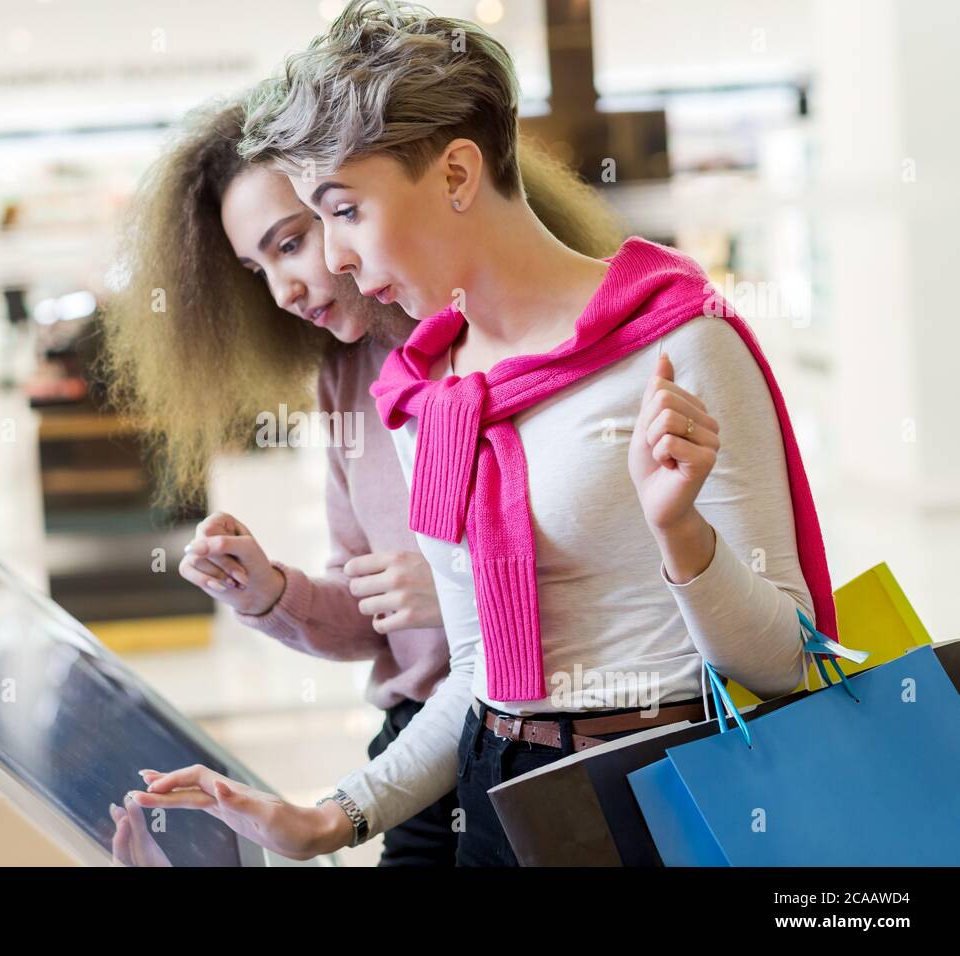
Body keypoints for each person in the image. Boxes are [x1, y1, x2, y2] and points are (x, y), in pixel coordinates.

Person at [127, 0, 838, 866]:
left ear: (458, 174)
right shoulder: (425, 395)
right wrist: (329, 819)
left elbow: (781, 663)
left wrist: (680, 534)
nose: (335, 260)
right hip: (494, 802)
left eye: (343, 211)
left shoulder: (680, 343)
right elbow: (475, 677)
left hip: (664, 801)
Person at [100, 92, 625, 865]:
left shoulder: (538, 340)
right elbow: (376, 607)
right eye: (256, 268)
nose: (282, 292)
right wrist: (270, 592)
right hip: (419, 741)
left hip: (549, 740)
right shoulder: (348, 378)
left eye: (289, 244)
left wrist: (460, 588)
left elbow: (638, 579)